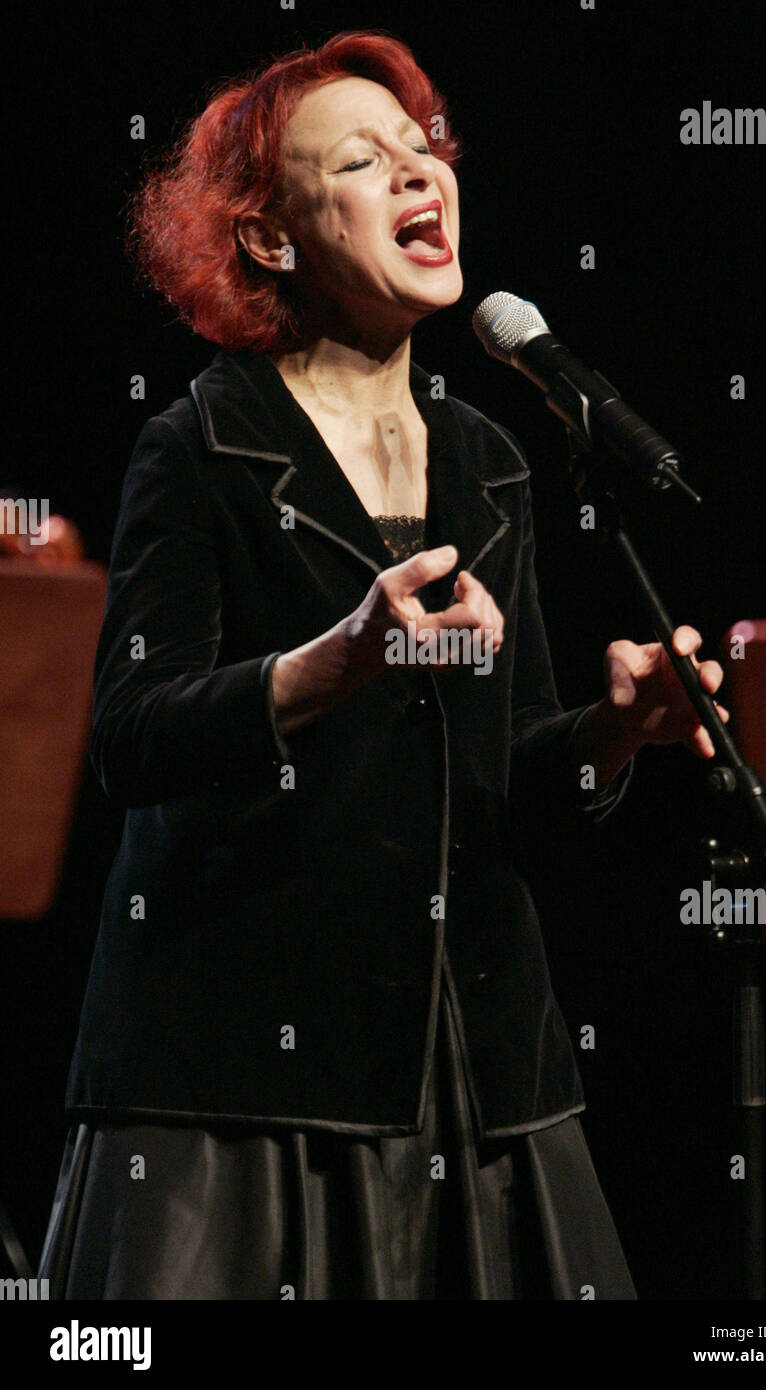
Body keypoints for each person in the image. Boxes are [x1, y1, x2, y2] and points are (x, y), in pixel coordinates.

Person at [38, 30, 727, 1300]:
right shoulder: (199, 444)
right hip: (243, 1083)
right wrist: (338, 655)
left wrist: (609, 731)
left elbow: (507, 782)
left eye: (425, 151)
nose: (420, 177)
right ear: (269, 238)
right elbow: (132, 734)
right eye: (364, 161)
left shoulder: (491, 459)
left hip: (476, 1077)